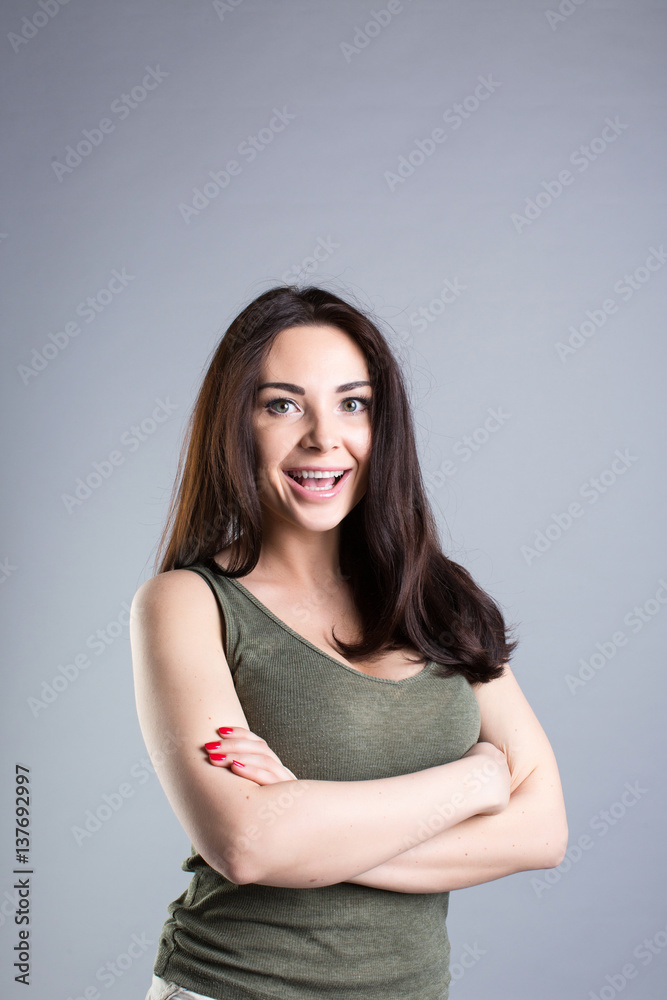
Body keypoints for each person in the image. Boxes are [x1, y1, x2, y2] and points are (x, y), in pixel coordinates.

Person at [130, 284, 568, 1000]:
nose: (322, 438)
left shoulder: (437, 597)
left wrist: (303, 817)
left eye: (352, 404)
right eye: (282, 404)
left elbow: (541, 831)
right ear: (235, 424)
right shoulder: (186, 604)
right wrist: (478, 781)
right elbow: (246, 846)